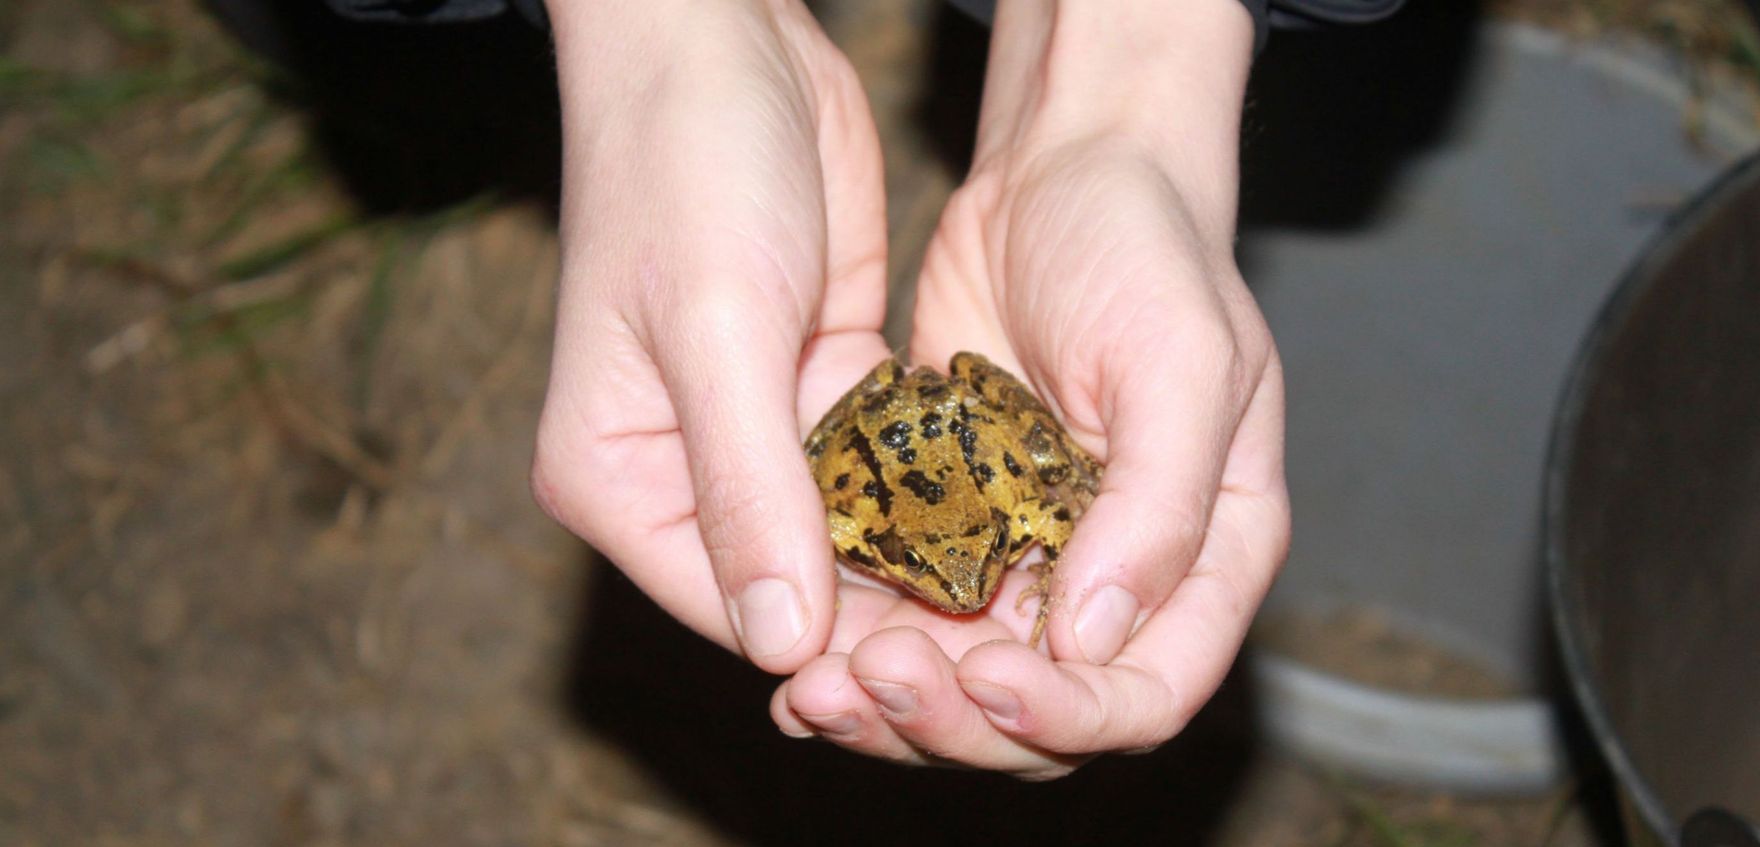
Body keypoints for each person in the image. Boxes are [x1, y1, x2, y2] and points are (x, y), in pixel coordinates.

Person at [327, 0, 1397, 779]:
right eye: (950, 570)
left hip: (953, 427)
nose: (972, 585)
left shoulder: (998, 523)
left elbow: (1021, 488)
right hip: (891, 445)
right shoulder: (875, 535)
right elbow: (841, 506)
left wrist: (1119, 91)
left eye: (968, 565)